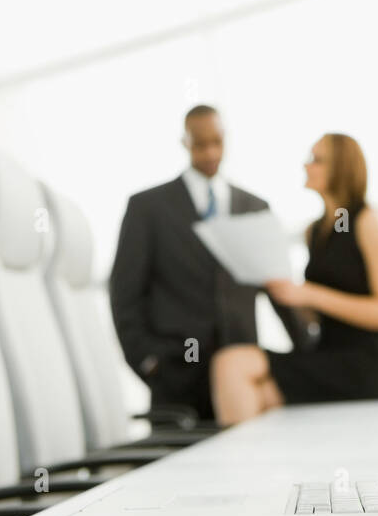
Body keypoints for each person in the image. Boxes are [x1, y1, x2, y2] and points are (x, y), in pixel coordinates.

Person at [109, 104, 309, 420]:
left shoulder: (255, 207)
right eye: (200, 144)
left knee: (251, 462)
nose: (211, 152)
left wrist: (308, 354)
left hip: (242, 377)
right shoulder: (147, 208)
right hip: (177, 377)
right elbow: (125, 293)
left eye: (217, 142)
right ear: (185, 143)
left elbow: (277, 288)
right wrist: (149, 361)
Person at [210, 133, 378, 425]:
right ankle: (242, 466)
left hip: (364, 363)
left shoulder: (366, 220)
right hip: (324, 352)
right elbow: (316, 317)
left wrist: (309, 294)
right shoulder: (315, 231)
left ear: (341, 167)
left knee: (232, 363)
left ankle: (237, 466)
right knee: (250, 392)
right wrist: (285, 290)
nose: (306, 166)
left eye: (316, 160)